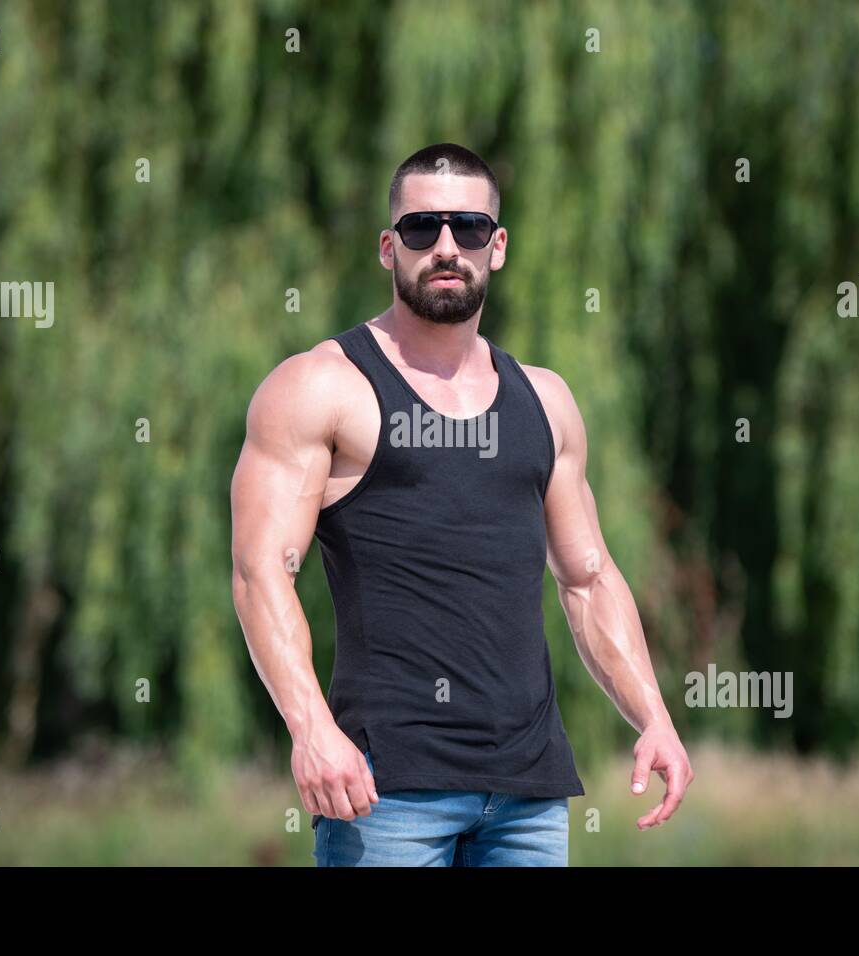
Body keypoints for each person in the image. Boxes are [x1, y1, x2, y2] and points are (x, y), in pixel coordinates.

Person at [231, 143, 692, 866]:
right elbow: (262, 572)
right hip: (385, 795)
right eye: (421, 228)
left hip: (528, 794)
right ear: (389, 247)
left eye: (468, 228)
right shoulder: (321, 388)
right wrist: (311, 729)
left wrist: (654, 716)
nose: (446, 247)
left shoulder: (546, 400)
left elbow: (587, 579)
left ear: (496, 246)